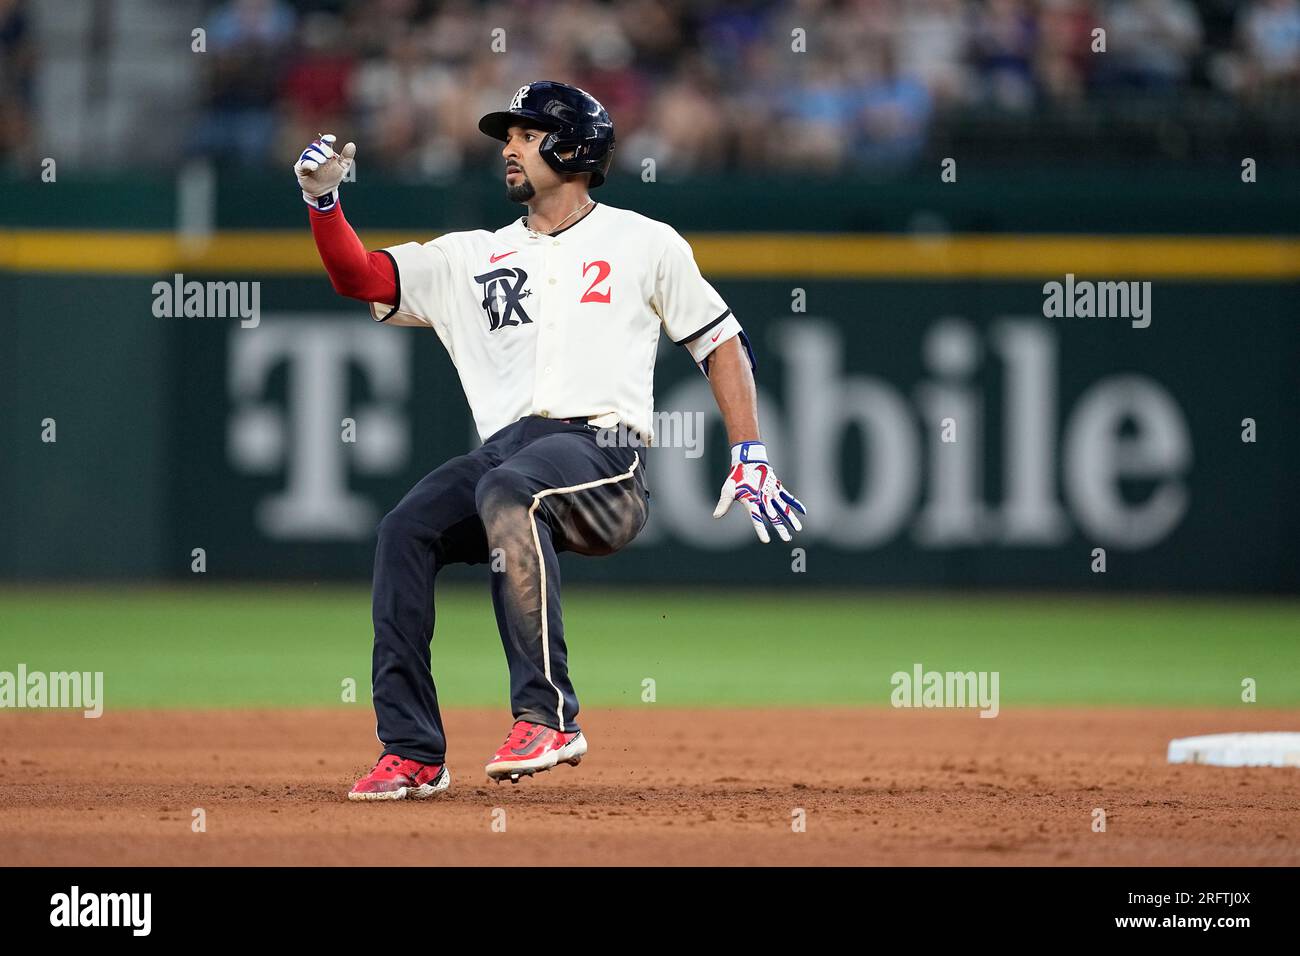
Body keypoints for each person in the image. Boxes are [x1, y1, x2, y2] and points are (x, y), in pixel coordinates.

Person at [294, 81, 806, 800]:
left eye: (525, 135)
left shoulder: (644, 242)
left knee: (512, 488)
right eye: (508, 137)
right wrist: (324, 205)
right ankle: (412, 750)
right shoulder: (471, 256)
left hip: (605, 459)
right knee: (405, 529)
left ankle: (549, 715)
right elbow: (361, 276)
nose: (508, 148)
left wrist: (750, 453)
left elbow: (721, 342)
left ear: (573, 146)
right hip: (506, 453)